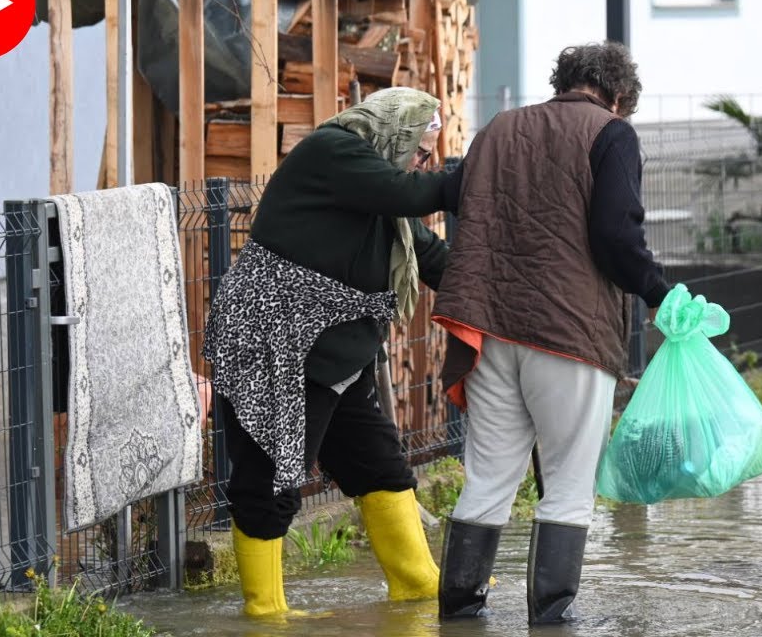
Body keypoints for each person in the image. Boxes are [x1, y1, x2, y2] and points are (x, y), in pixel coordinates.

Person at [431, 42, 670, 623]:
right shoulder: (612, 133)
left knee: (488, 478)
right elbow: (616, 236)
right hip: (568, 332)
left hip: (485, 328)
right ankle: (551, 620)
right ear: (618, 95)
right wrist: (662, 293)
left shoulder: (498, 129)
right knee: (567, 482)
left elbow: (453, 197)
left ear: (563, 82)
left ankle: (459, 614)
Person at [202, 87, 458, 619]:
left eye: (429, 156)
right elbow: (406, 193)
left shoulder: (379, 199)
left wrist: (509, 296)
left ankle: (419, 587)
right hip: (276, 341)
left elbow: (432, 257)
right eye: (421, 149)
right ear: (395, 132)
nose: (423, 163)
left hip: (337, 354)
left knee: (379, 465)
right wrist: (474, 178)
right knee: (270, 477)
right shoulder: (334, 153)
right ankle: (265, 614)